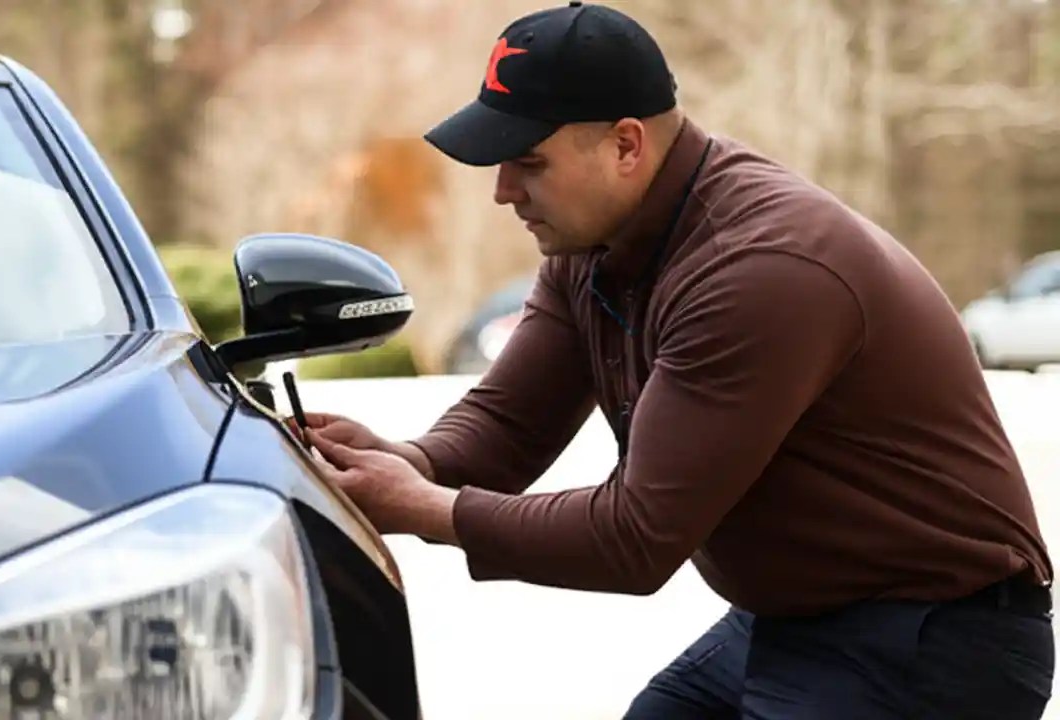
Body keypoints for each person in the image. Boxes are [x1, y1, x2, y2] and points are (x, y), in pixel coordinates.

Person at [297, 2, 1056, 718]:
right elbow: (507, 424)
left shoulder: (757, 270)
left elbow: (633, 540)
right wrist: (402, 461)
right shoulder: (595, 242)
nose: (503, 191)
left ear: (627, 145)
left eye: (526, 161)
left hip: (928, 637)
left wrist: (424, 508)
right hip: (794, 616)